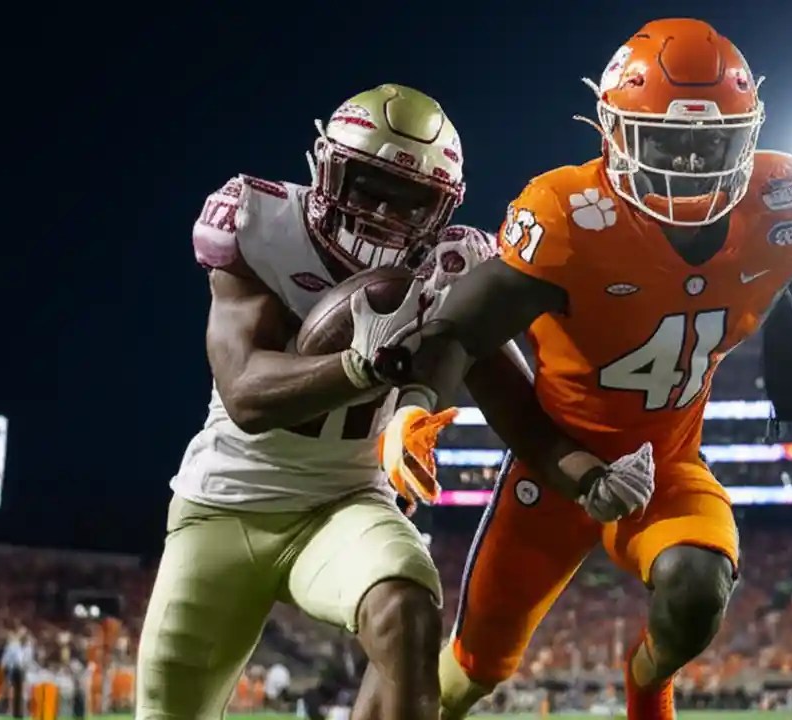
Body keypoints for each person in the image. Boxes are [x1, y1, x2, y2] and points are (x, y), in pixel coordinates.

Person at [368, 19, 792, 720]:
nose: (691, 162)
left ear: (748, 135)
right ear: (613, 133)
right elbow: (465, 320)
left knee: (698, 588)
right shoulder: (570, 215)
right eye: (668, 139)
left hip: (665, 464)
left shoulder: (779, 202)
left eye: (712, 141)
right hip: (550, 473)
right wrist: (411, 406)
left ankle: (647, 683)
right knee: (469, 675)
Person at [135, 83, 651, 720]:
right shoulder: (260, 223)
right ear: (327, 170)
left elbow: (517, 412)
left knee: (406, 608)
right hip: (227, 503)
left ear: (441, 211)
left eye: (411, 202)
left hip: (345, 500)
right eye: (367, 186)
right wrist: (358, 367)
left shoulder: (450, 268)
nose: (382, 212)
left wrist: (590, 477)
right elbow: (246, 394)